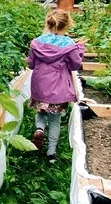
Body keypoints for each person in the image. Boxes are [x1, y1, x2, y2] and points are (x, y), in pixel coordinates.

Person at [26, 9, 86, 162]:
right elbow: (74, 65)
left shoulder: (37, 42)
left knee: (41, 111)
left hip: (40, 84)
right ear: (67, 25)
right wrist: (80, 51)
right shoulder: (69, 44)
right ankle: (51, 152)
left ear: (48, 22)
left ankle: (39, 129)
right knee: (55, 119)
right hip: (58, 87)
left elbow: (31, 64)